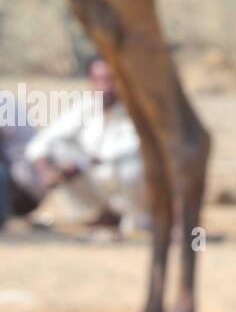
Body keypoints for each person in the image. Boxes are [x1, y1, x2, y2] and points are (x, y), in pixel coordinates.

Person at [22, 60, 147, 232]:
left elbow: (124, 150)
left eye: (111, 80)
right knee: (58, 150)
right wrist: (45, 171)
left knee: (130, 168)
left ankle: (136, 220)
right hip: (99, 185)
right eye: (99, 80)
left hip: (129, 189)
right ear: (91, 82)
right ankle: (105, 214)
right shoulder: (86, 106)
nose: (105, 87)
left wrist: (79, 165)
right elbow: (41, 143)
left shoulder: (138, 108)